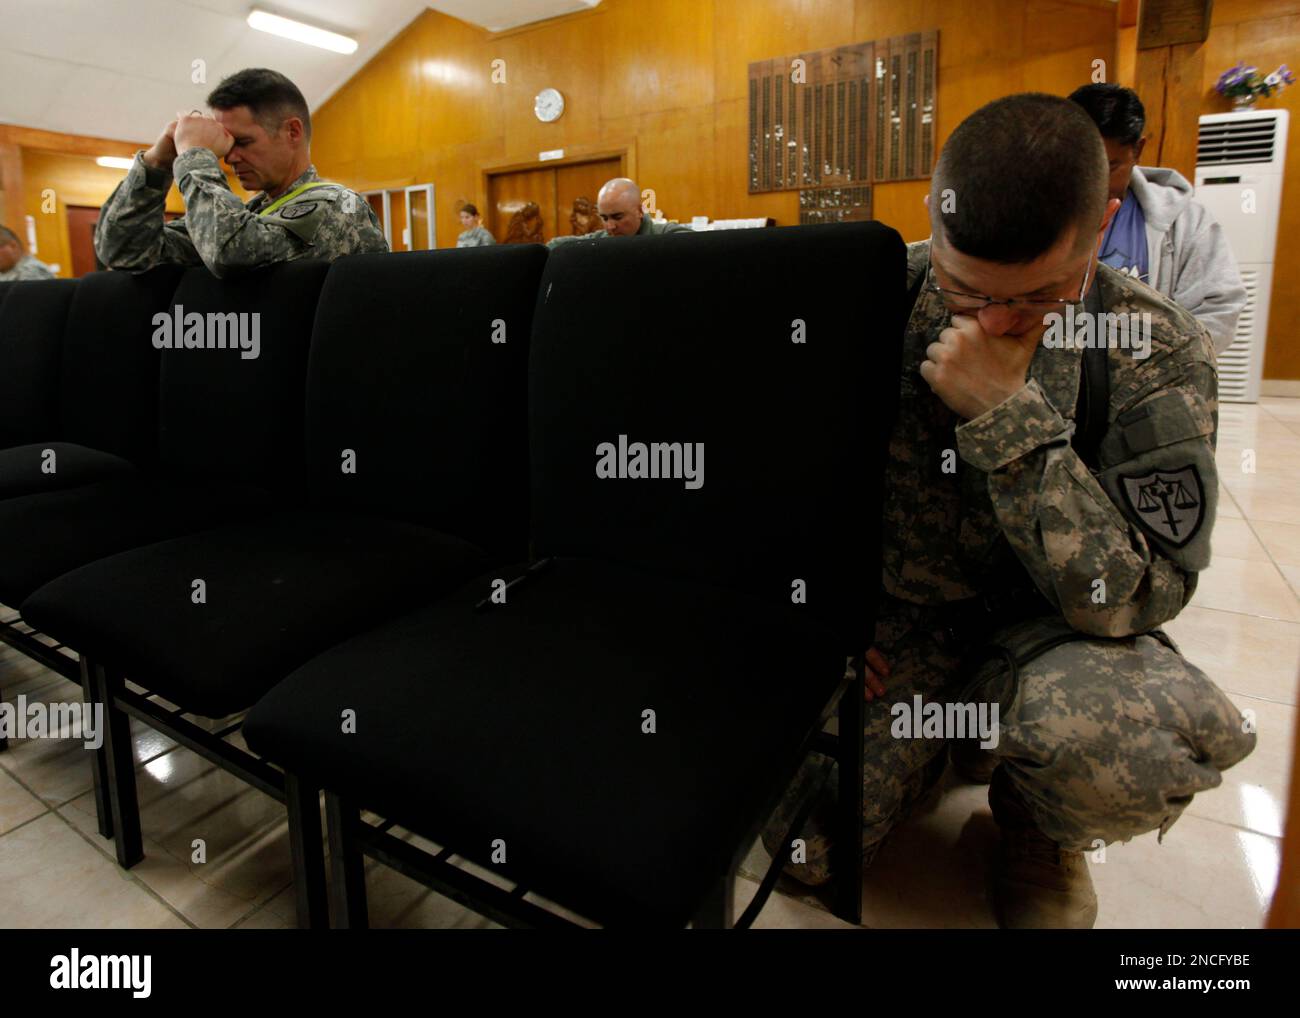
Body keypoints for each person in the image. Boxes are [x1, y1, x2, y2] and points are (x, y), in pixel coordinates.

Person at [762, 93, 1255, 929]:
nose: (994, 322)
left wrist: (1007, 421)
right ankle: (941, 746)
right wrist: (816, 617)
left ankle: (1037, 825)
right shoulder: (862, 297)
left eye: (1037, 297)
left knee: (1135, 749)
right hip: (897, 627)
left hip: (1047, 634)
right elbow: (767, 483)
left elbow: (1137, 595)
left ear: (1100, 225)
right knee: (802, 849)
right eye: (965, 291)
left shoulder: (1152, 345)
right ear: (933, 215)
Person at [95, 68, 387, 278]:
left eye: (244, 142)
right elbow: (124, 251)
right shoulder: (250, 216)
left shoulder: (337, 207)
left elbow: (230, 255)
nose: (230, 158)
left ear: (292, 132)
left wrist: (196, 155)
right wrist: (157, 163)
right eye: (227, 144)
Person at [1070, 83, 1246, 355]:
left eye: (1109, 166)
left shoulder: (1188, 222)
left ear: (1137, 151)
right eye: (1080, 167)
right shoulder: (1033, 214)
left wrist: (1157, 367)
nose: (1093, 182)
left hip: (1149, 381)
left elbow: (1219, 309)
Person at [546, 178, 693, 247]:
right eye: (604, 218)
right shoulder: (599, 240)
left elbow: (701, 246)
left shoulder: (665, 234)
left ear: (639, 211)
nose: (610, 227)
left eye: (618, 217)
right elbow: (554, 246)